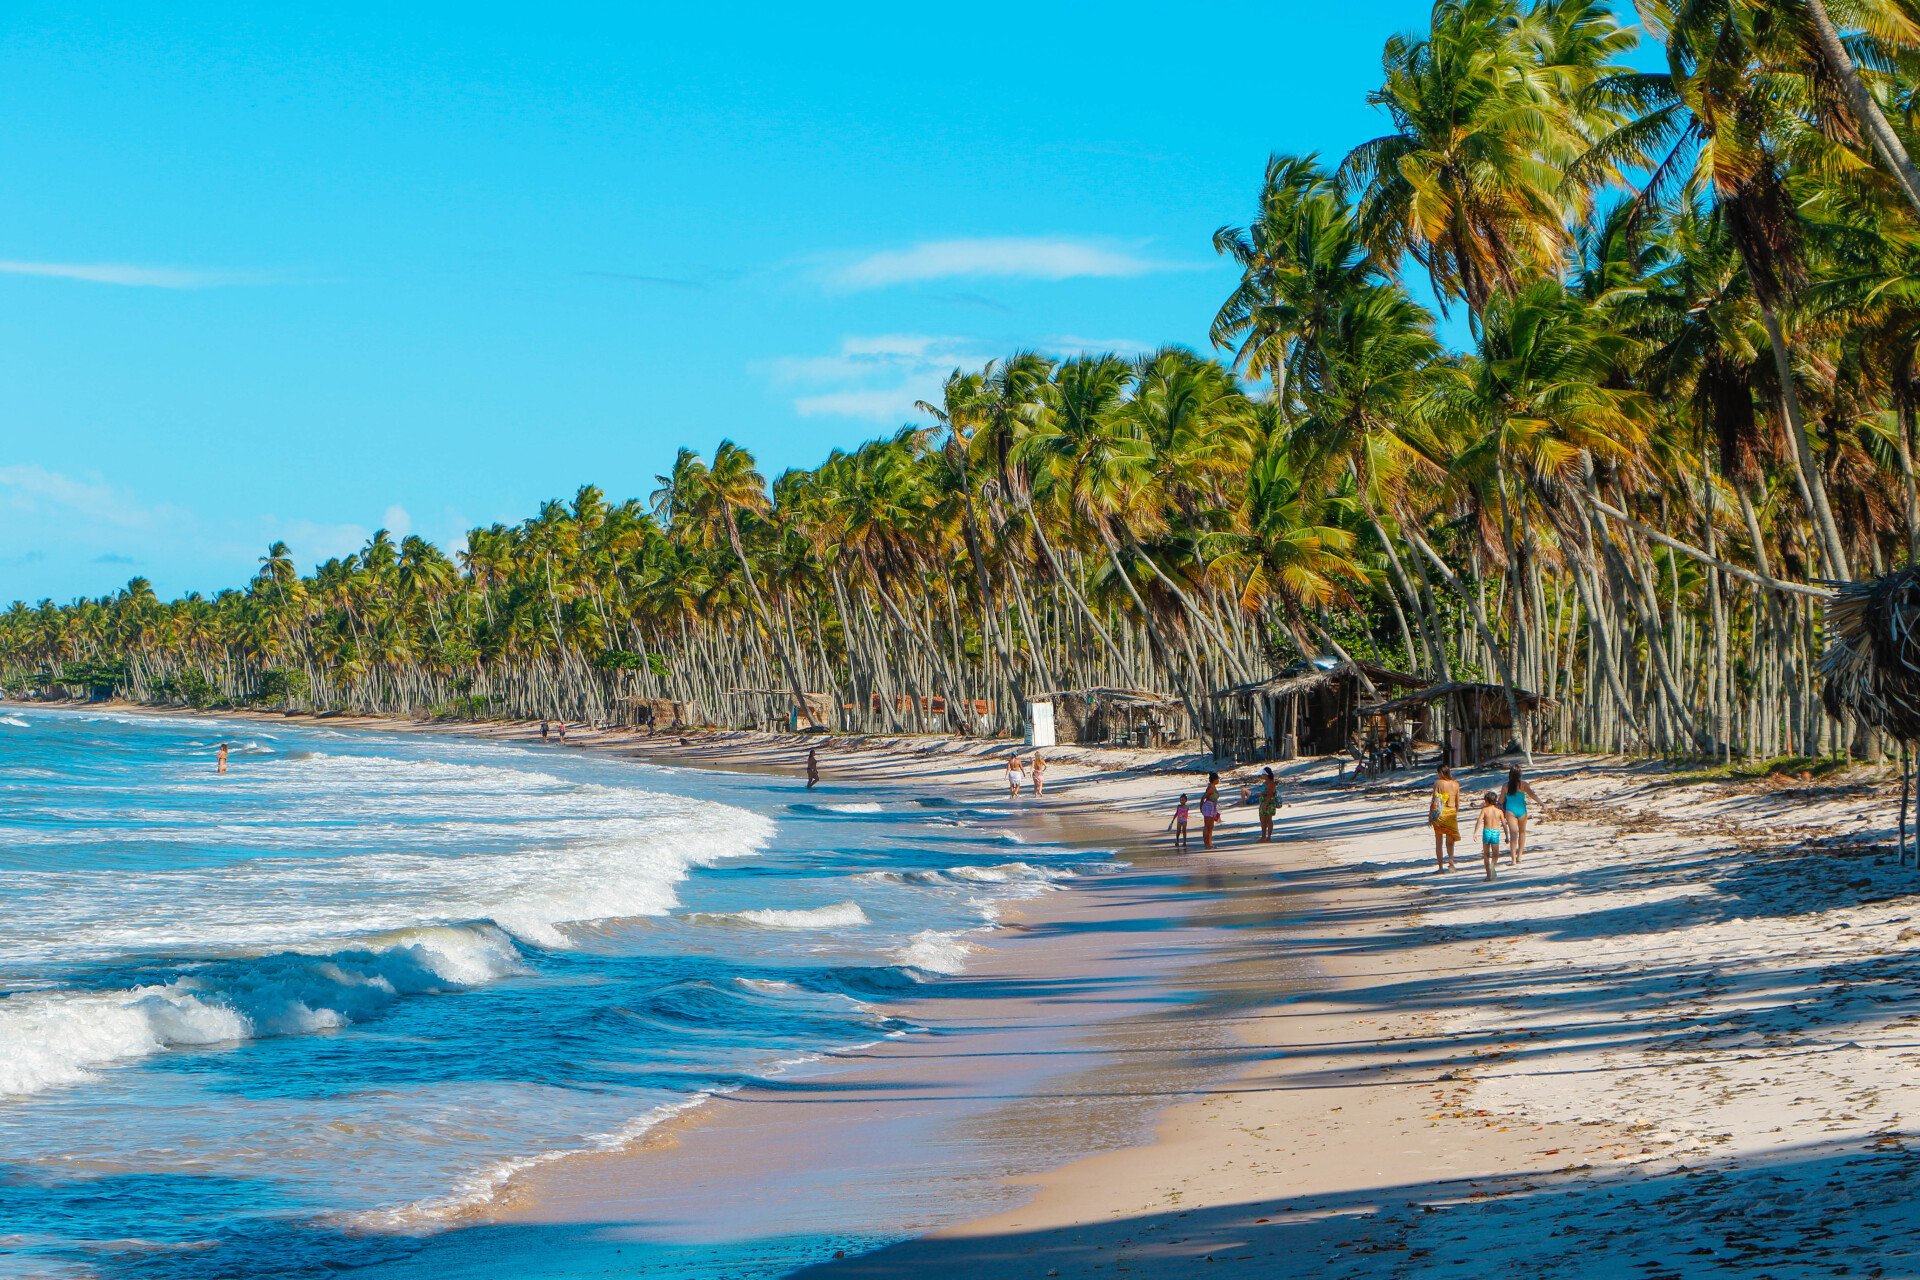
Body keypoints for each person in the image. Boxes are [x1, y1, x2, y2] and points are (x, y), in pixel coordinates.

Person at [1502, 766, 1540, 865]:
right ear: (1520, 774)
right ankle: (1519, 856)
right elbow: (1532, 795)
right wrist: (1542, 803)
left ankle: (1513, 860)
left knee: (1513, 835)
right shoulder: (1524, 784)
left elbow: (1500, 801)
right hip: (1522, 811)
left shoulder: (1505, 786)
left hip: (1510, 811)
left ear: (1510, 774)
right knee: (1522, 832)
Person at [1429, 765, 1461, 872]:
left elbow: (1434, 800)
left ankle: (1440, 867)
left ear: (1440, 773)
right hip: (1451, 812)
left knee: (1439, 842)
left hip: (1440, 813)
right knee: (1450, 841)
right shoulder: (1456, 784)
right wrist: (1455, 814)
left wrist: (1430, 815)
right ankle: (1451, 863)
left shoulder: (1438, 783)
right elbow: (1457, 803)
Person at [1476, 790, 1511, 881]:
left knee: (1486, 854)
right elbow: (1504, 824)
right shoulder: (1499, 811)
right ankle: (1492, 866)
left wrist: (1475, 832)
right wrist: (1507, 835)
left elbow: (1479, 821)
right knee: (1495, 853)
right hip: (1495, 832)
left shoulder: (1484, 810)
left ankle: (1488, 875)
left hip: (1487, 831)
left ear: (1486, 801)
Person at [1200, 772, 1222, 849]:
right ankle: (1207, 844)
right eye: (1218, 779)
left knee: (1211, 826)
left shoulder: (1213, 787)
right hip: (1209, 806)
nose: (1219, 780)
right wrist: (1201, 807)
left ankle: (1209, 843)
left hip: (1212, 807)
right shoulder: (1211, 788)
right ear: (1215, 779)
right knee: (1207, 826)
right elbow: (1203, 797)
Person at [1257, 767, 1280, 842]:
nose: (1262, 776)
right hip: (1264, 802)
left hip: (1268, 803)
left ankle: (1268, 837)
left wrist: (1265, 804)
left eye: (1263, 774)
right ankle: (1263, 836)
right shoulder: (1266, 783)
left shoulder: (1271, 783)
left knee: (1268, 820)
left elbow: (1270, 794)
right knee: (1262, 819)